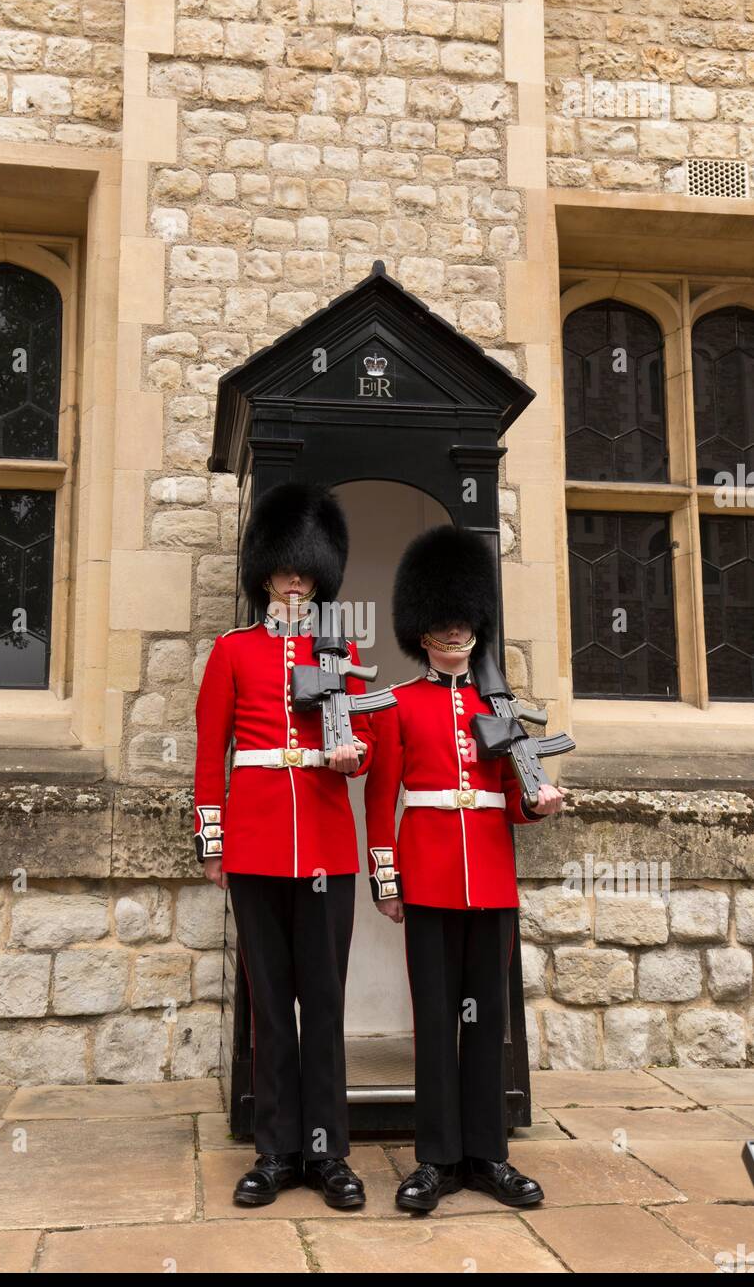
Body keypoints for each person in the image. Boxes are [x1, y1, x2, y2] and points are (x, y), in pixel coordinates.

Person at [365, 524, 566, 1214]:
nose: (453, 633)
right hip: (427, 881)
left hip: (491, 885)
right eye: (442, 623)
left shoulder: (498, 707)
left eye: (462, 622)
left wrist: (542, 803)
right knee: (434, 1021)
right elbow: (380, 798)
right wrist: (387, 883)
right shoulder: (396, 705)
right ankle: (435, 1159)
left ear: (475, 627)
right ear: (422, 632)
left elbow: (514, 804)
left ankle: (488, 1155)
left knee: (488, 1025)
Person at [193, 482, 375, 1210]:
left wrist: (351, 757)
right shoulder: (232, 652)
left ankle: (328, 1154)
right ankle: (276, 1151)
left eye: (306, 569)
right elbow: (213, 755)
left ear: (319, 574)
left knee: (325, 1004)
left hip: (328, 844)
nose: (295, 580)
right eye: (284, 568)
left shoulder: (342, 650)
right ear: (266, 573)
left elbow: (364, 751)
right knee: (269, 1003)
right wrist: (214, 842)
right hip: (256, 843)